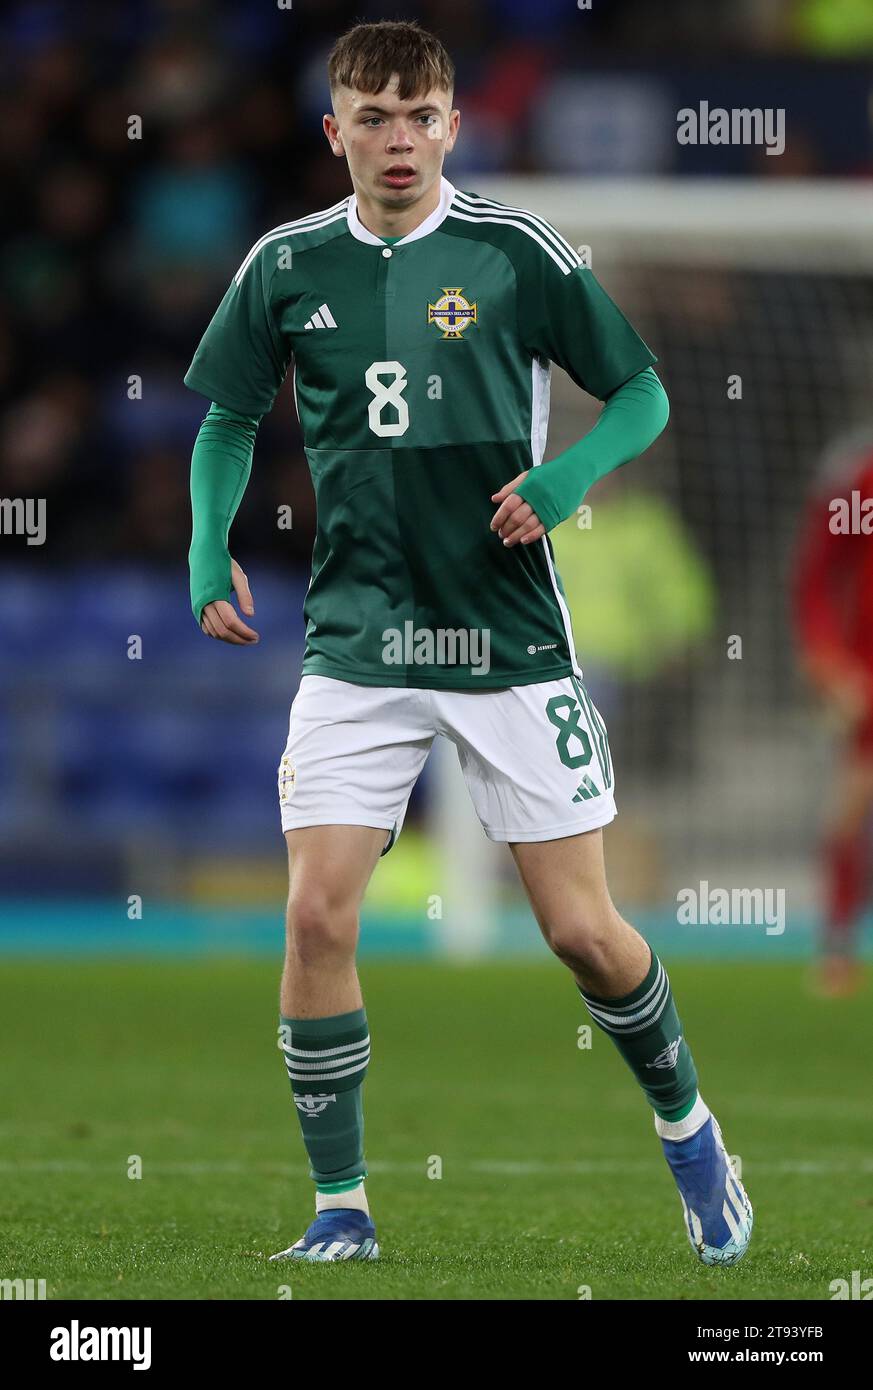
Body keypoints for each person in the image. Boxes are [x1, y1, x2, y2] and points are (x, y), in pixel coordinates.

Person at [184, 19, 752, 1266]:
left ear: (454, 124)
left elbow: (643, 389)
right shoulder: (285, 264)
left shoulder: (513, 253)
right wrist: (204, 542)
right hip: (356, 642)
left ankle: (691, 1125)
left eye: (421, 116)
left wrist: (566, 479)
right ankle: (343, 1208)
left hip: (505, 637)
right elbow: (227, 416)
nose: (399, 140)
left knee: (584, 935)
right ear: (335, 132)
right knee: (319, 917)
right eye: (372, 119)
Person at [793, 429, 873, 997]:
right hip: (866, 677)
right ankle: (838, 945)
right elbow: (816, 576)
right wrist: (827, 660)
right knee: (849, 807)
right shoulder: (861, 482)